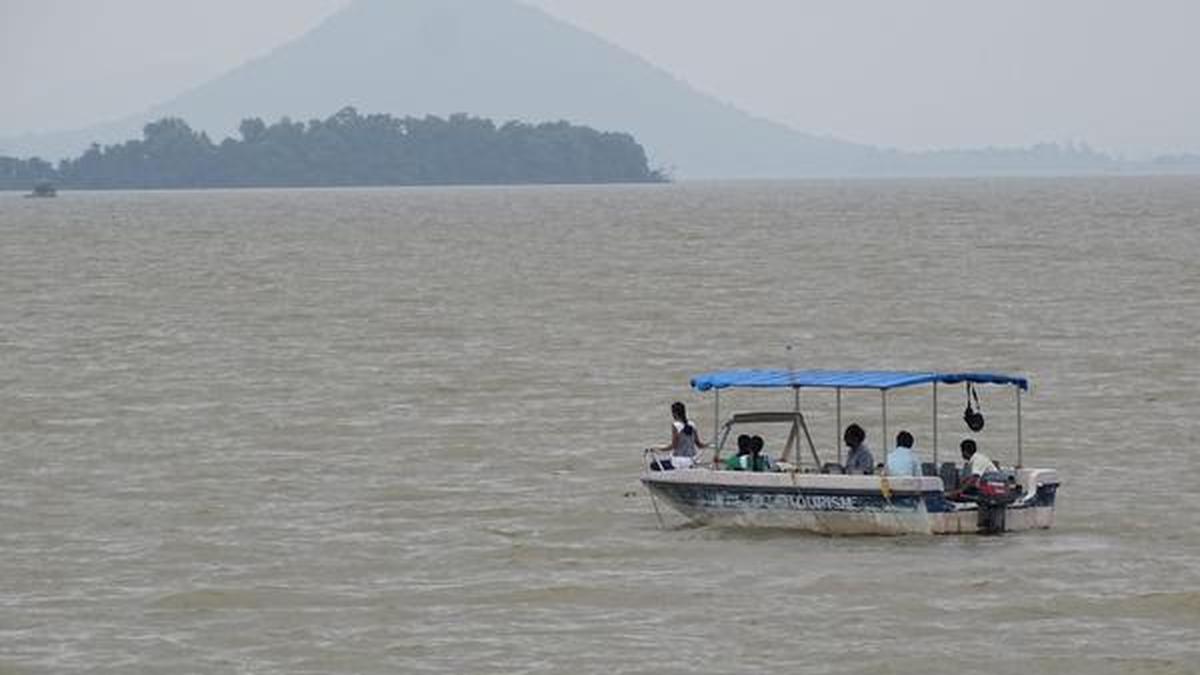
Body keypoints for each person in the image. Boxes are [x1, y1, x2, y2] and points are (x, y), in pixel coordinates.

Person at [648, 401, 707, 470]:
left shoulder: (676, 425)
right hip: (693, 460)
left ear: (675, 414)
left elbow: (673, 446)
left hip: (679, 462)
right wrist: (708, 445)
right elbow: (699, 445)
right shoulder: (692, 424)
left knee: (653, 465)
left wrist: (657, 449)